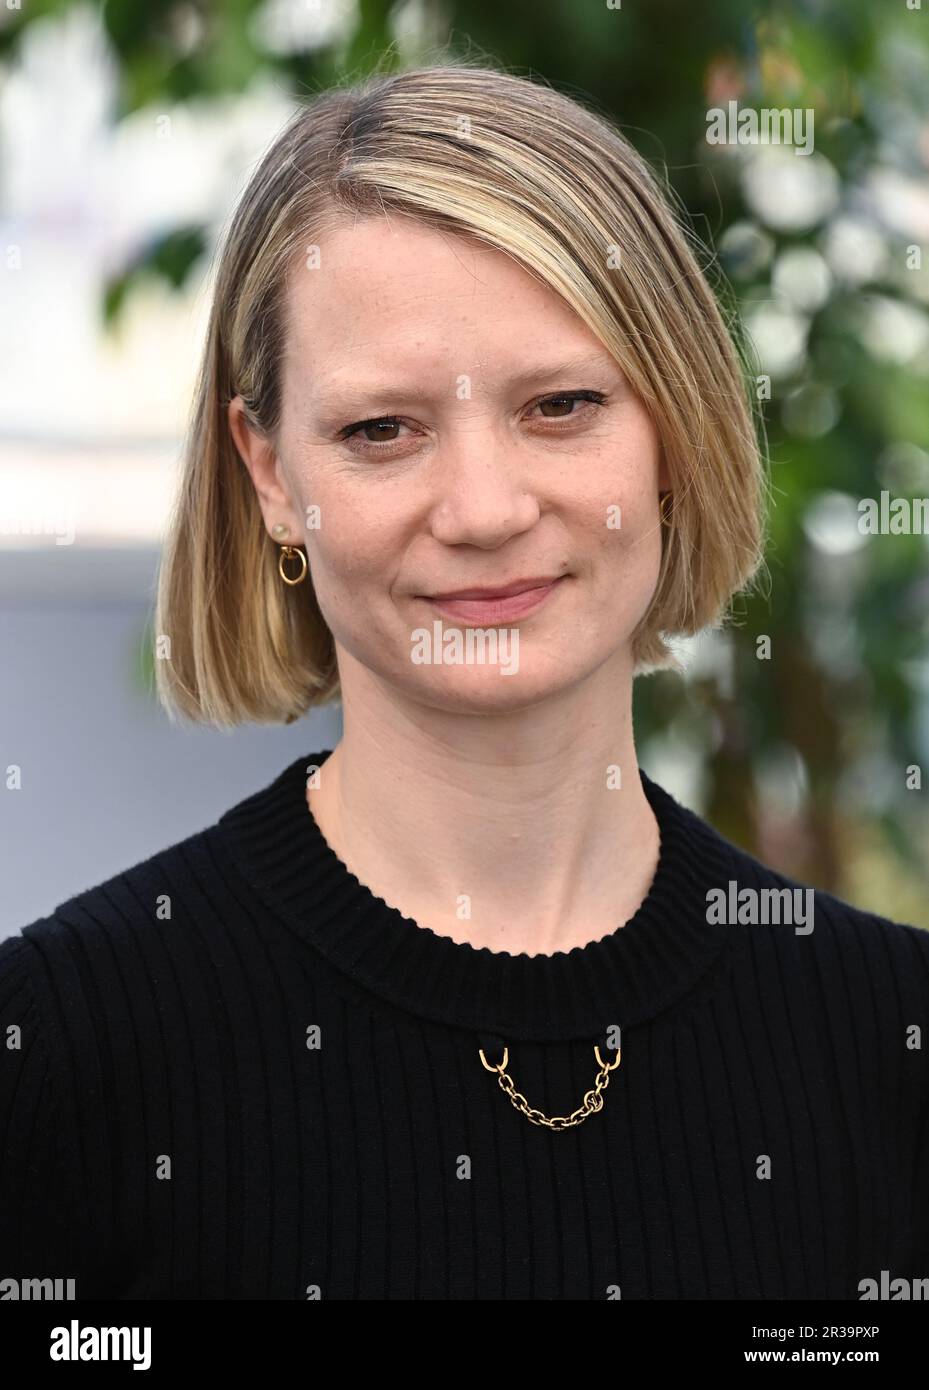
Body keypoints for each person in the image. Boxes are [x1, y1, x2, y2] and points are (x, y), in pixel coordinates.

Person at [1, 62, 926, 1302]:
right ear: (269, 473)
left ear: (672, 431)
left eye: (559, 405)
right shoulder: (60, 1051)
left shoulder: (890, 1044)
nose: (484, 510)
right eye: (382, 430)